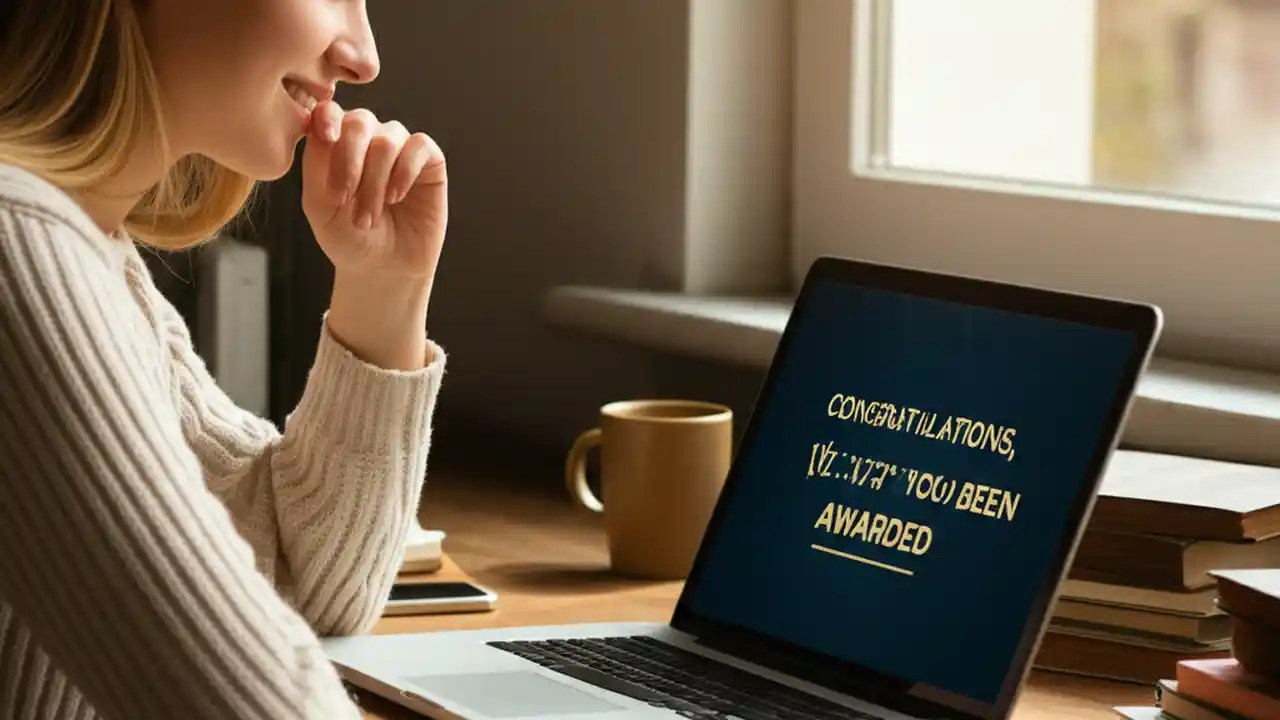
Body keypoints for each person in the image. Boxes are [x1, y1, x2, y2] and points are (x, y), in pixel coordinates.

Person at [0, 1, 449, 717]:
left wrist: (386, 288)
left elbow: (312, 590)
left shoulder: (91, 252)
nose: (363, 58)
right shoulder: (15, 246)